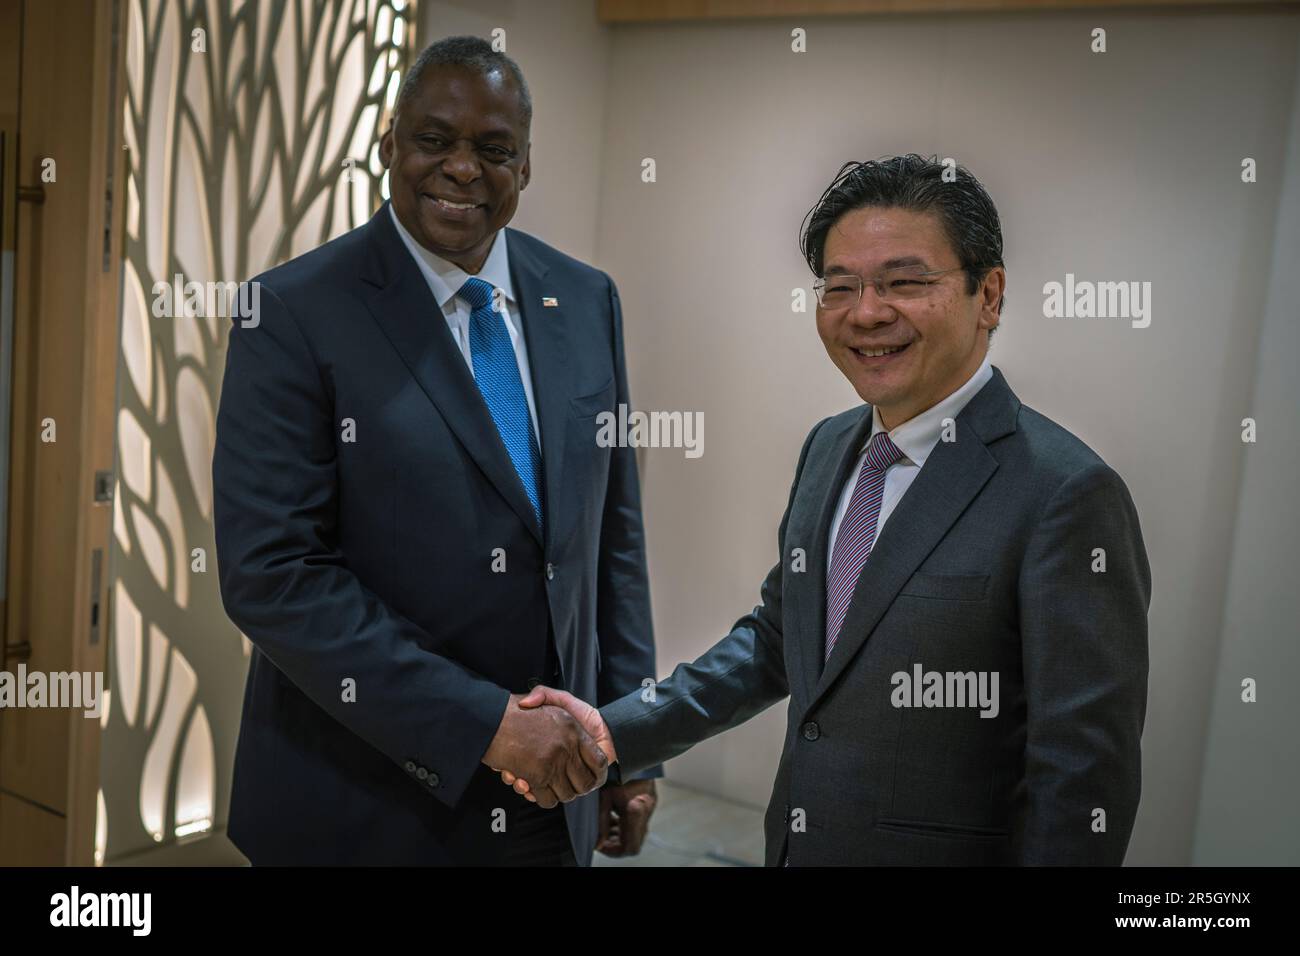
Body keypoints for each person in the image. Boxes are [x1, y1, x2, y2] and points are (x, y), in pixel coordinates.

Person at [504, 154, 1151, 866]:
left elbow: (1082, 777)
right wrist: (612, 733)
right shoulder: (831, 447)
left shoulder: (1065, 493)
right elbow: (779, 640)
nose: (867, 312)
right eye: (840, 286)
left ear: (988, 295)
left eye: (905, 282)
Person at [213, 36, 658, 866]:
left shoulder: (587, 298)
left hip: (555, 796)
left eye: (494, 151)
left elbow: (613, 538)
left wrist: (632, 740)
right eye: (434, 140)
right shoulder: (292, 312)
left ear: (526, 167)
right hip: (363, 802)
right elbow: (273, 575)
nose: (462, 169)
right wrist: (484, 725)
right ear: (390, 145)